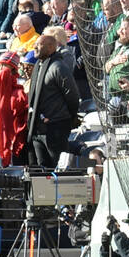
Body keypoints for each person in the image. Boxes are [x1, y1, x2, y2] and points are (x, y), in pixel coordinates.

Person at [26, 32, 79, 167]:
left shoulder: (58, 67)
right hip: (37, 129)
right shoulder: (39, 66)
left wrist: (65, 117)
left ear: (50, 47)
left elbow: (72, 95)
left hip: (55, 128)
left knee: (59, 167)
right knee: (41, 169)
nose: (35, 47)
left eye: (39, 44)